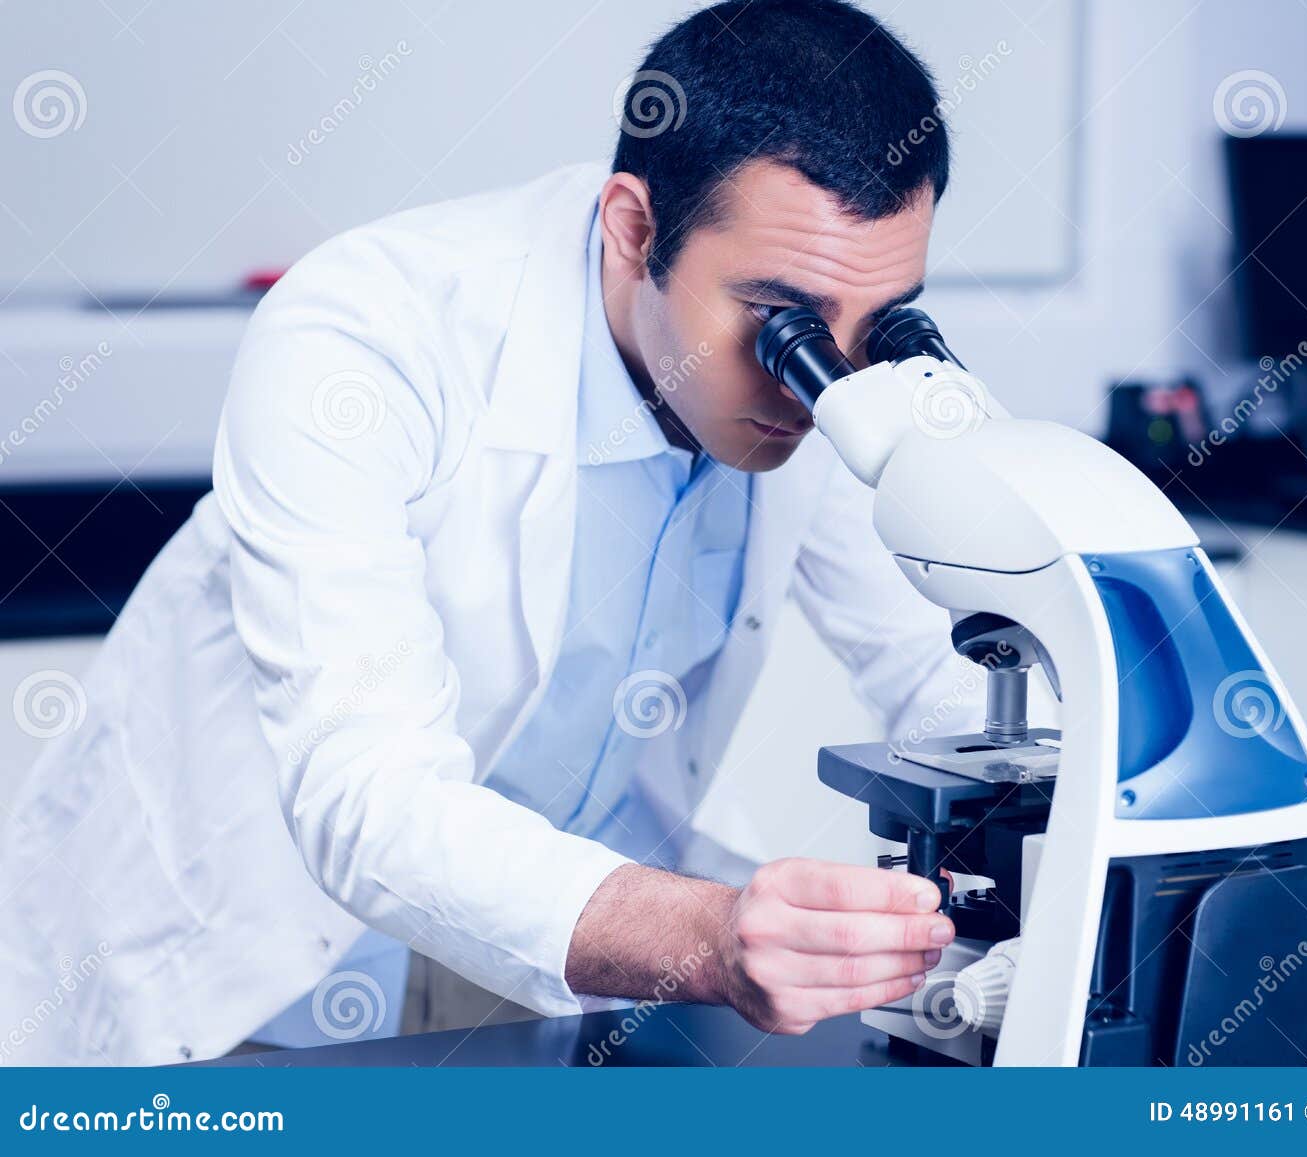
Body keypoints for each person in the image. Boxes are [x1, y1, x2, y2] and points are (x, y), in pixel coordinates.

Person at [0, 0, 984, 1064]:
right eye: (780, 321)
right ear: (635, 228)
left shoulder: (820, 380)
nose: (824, 384)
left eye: (875, 325)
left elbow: (941, 669)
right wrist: (708, 935)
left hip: (546, 941)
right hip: (248, 951)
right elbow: (370, 799)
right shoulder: (366, 337)